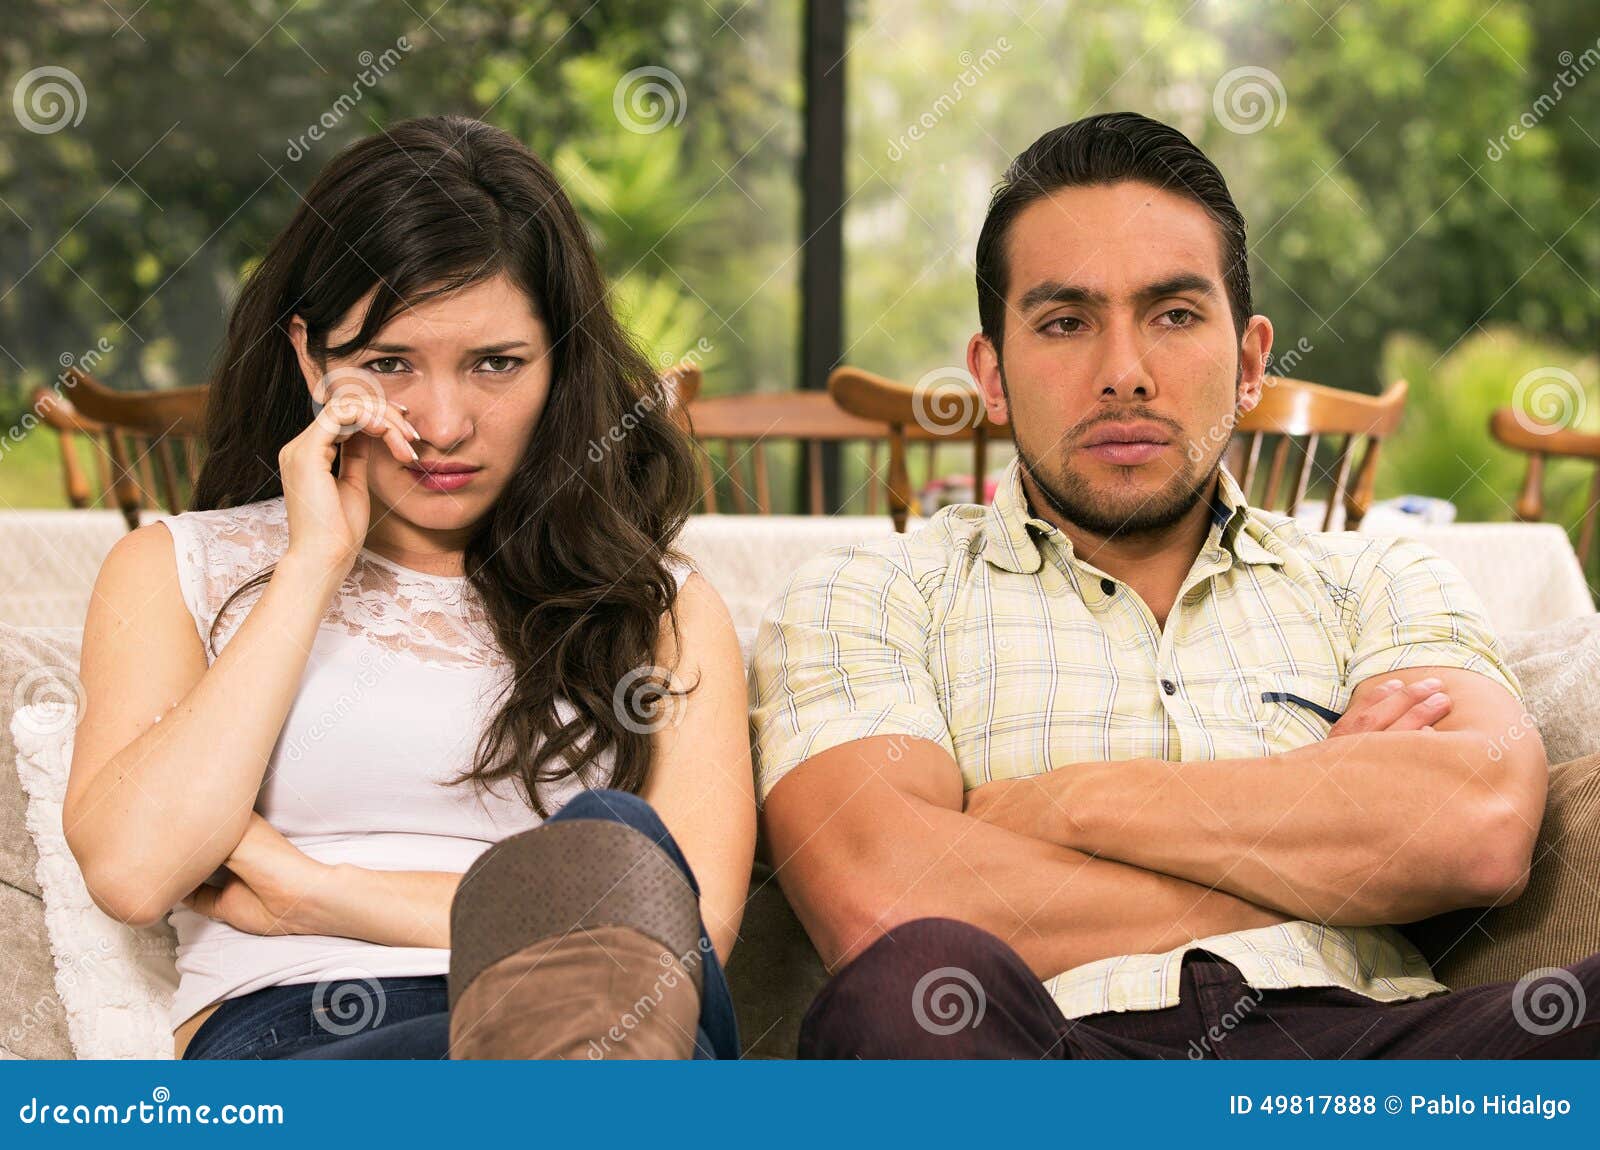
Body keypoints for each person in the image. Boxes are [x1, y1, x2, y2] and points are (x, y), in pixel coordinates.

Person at [749, 112, 1596, 1058]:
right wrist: (1320, 821)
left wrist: (1061, 806)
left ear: (1249, 362)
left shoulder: (1376, 575)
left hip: (1365, 1060)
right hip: (1043, 1058)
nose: (1124, 374)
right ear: (991, 374)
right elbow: (886, 901)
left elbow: (1478, 827)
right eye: (1065, 322)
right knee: (910, 989)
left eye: (1175, 315)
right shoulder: (865, 591)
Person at [64, 115, 754, 1060]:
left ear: (561, 361)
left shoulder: (661, 606)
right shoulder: (175, 566)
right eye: (389, 364)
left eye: (496, 364)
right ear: (311, 359)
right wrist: (312, 562)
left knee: (612, 840)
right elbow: (135, 871)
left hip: (599, 1027)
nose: (443, 422)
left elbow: (691, 939)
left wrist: (311, 889)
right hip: (305, 1037)